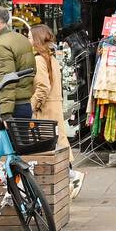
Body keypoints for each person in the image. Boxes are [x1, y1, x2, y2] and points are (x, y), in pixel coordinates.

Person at [28, 23, 83, 199]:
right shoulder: (49, 58)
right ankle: (69, 177)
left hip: (46, 109)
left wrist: (33, 105)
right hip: (53, 106)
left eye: (29, 36)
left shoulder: (38, 59)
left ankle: (72, 176)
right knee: (57, 142)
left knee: (52, 144)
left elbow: (42, 87)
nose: (27, 39)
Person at [0, 5, 34, 143]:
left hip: (6, 109)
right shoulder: (20, 39)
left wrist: (6, 115)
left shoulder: (0, 46)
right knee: (17, 155)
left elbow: (6, 82)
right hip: (23, 105)